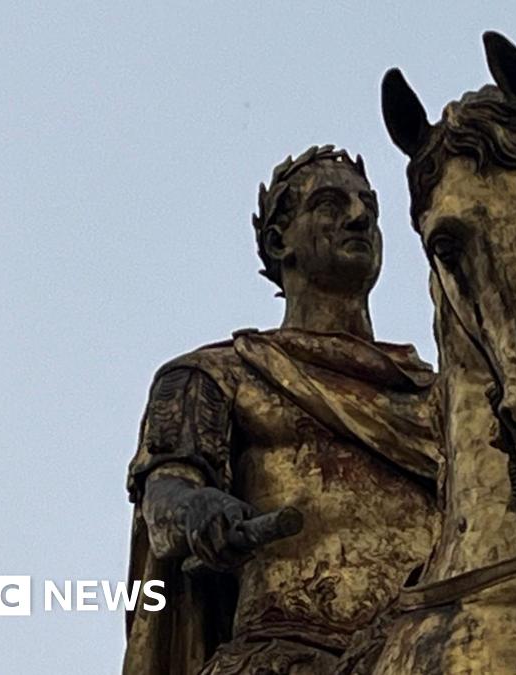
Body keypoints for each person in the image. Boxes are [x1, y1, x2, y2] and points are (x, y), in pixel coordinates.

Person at [123, 145, 440, 675]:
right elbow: (165, 496)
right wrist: (201, 510)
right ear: (279, 241)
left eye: (369, 206)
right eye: (330, 205)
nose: (359, 217)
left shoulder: (443, 398)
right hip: (287, 656)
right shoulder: (219, 374)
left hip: (432, 646)